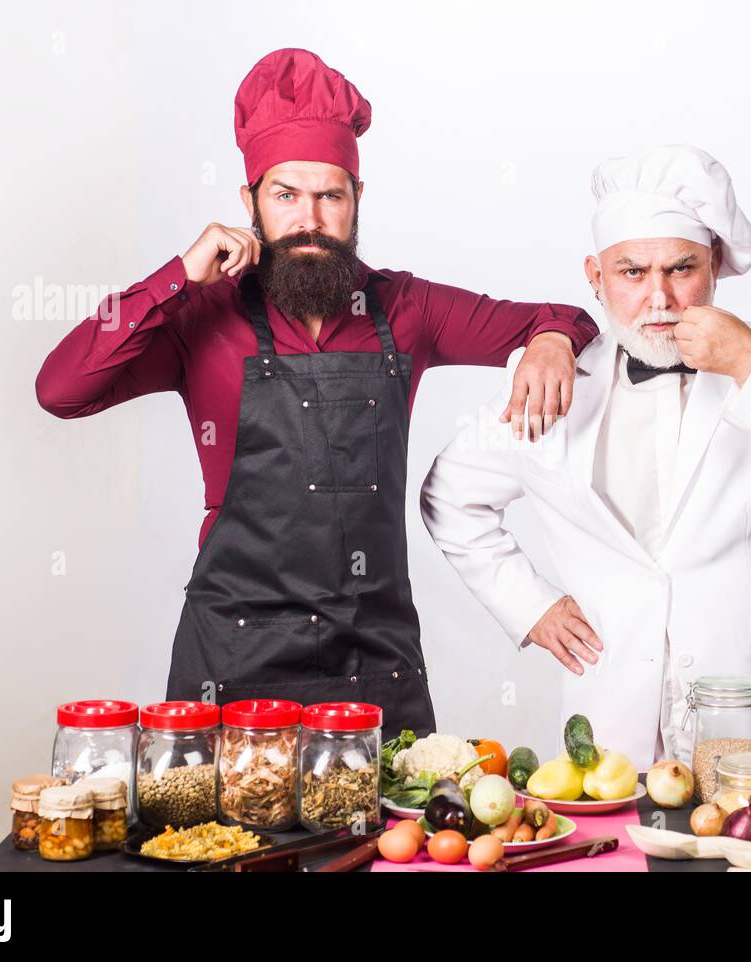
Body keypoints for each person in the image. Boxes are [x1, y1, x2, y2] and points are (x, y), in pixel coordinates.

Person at [35, 49, 599, 739]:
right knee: (226, 849)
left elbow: (561, 317)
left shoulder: (407, 309)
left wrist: (551, 339)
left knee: (392, 847)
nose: (309, 219)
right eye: (286, 195)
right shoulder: (198, 318)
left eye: (330, 195)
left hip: (374, 664)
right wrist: (179, 275)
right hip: (231, 661)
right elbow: (61, 388)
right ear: (248, 204)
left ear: (358, 198)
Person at [419, 145, 751, 764]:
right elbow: (449, 496)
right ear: (595, 275)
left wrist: (750, 364)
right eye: (632, 272)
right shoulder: (551, 378)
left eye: (681, 268)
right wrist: (530, 605)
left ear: (714, 265)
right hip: (616, 722)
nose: (659, 297)